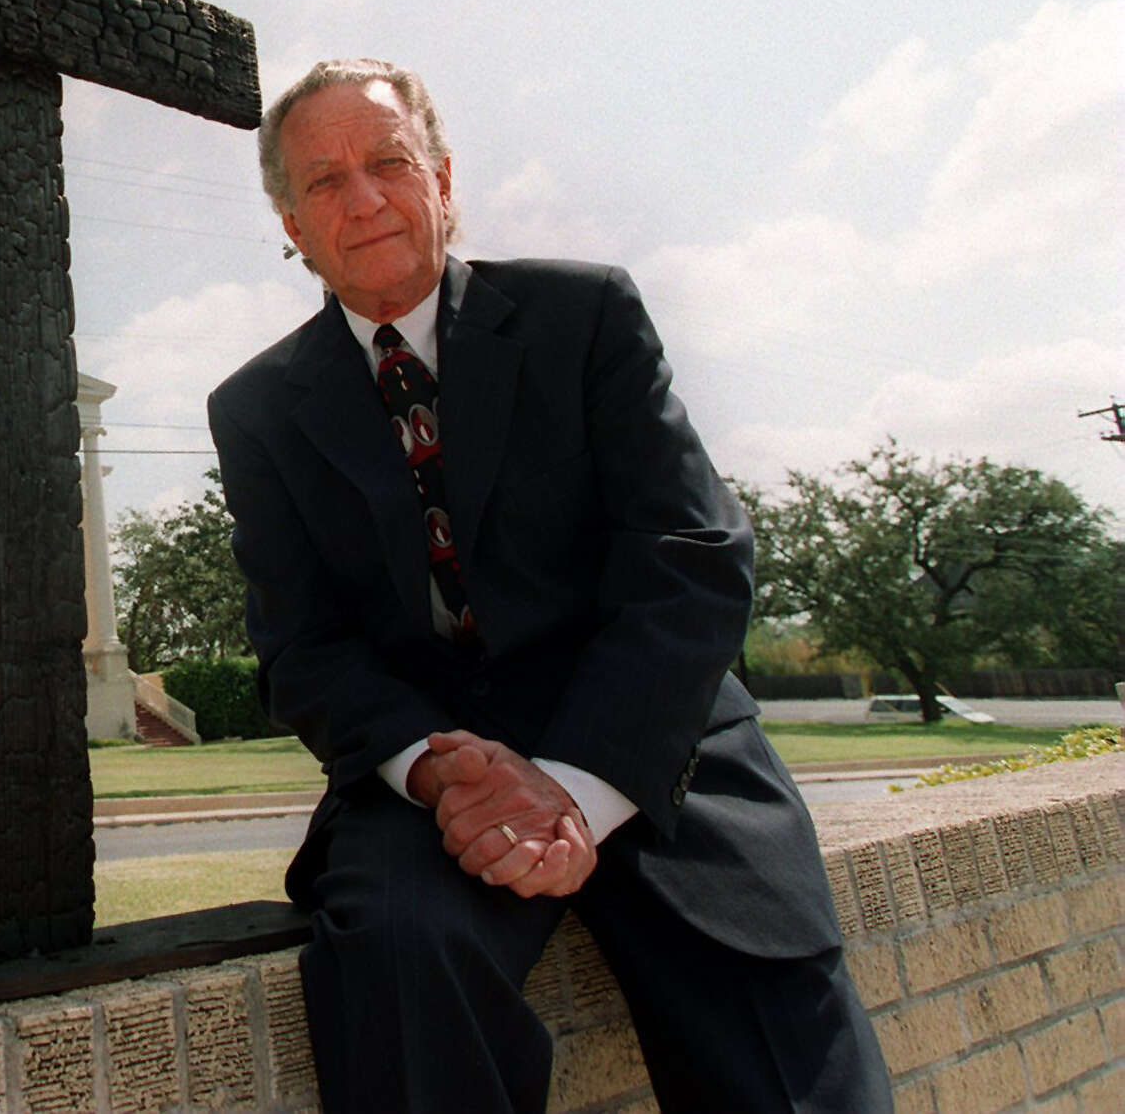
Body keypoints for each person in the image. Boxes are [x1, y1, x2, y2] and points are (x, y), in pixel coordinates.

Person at [207, 59, 891, 1113]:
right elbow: (304, 648)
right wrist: (439, 774)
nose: (365, 198)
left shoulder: (585, 315)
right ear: (290, 225)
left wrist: (573, 789)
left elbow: (690, 557)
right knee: (394, 962)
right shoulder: (256, 409)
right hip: (441, 774)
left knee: (778, 1047)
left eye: (388, 162)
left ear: (442, 178)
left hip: (651, 745)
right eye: (324, 181)